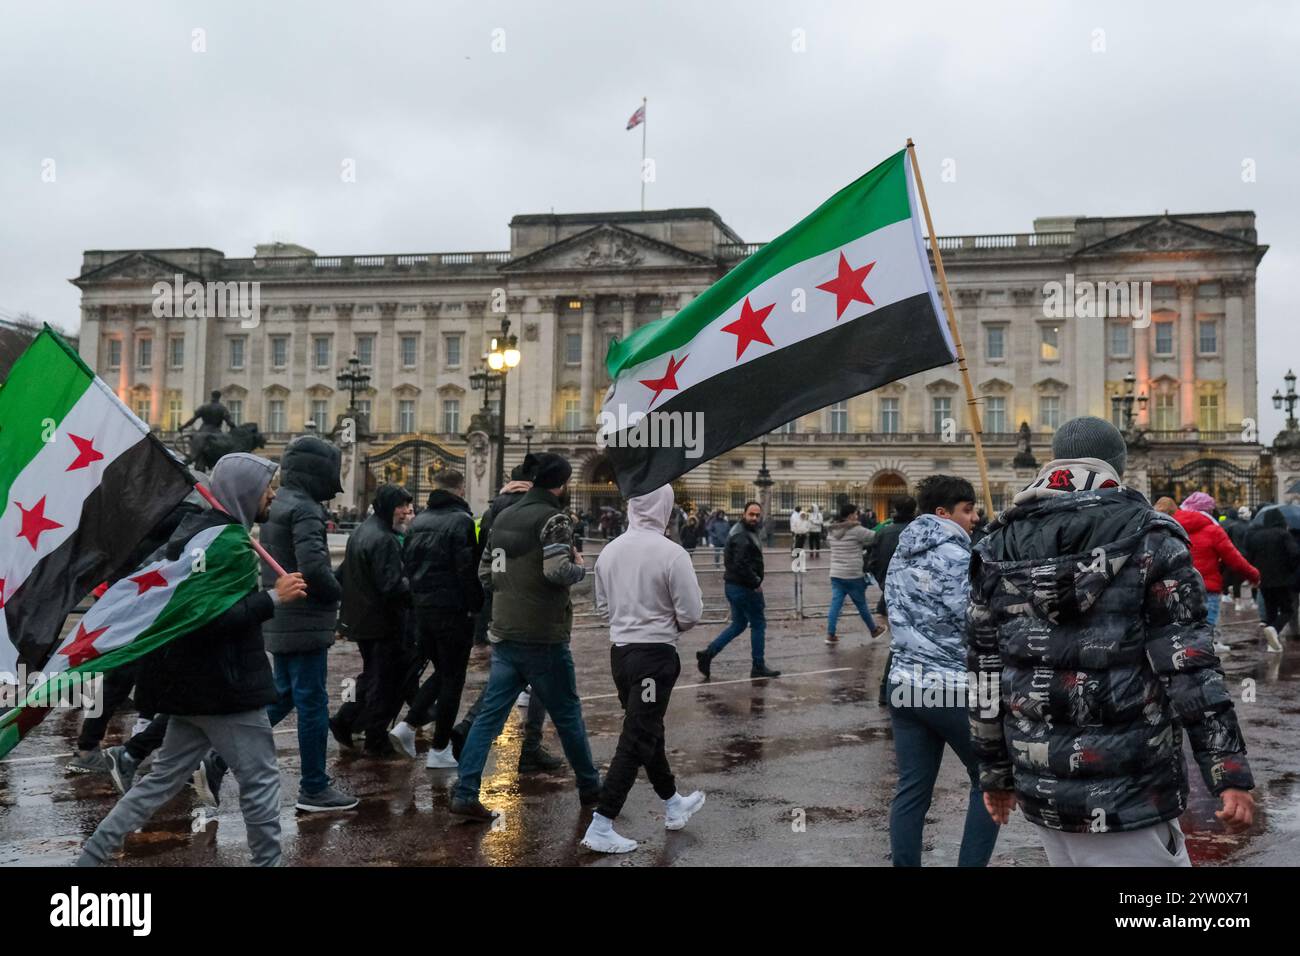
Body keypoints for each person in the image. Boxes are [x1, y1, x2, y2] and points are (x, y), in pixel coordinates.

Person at [969, 417, 1255, 866]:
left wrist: (994, 774)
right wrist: (1227, 770)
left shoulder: (995, 545)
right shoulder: (1151, 537)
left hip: (1041, 782)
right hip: (1131, 786)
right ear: (1117, 468)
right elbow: (1188, 665)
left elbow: (985, 674)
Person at [78, 453, 308, 867]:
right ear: (245, 492)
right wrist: (275, 597)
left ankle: (91, 857)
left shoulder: (200, 532)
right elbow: (210, 620)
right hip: (226, 687)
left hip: (191, 686)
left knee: (159, 782)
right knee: (260, 783)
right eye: (267, 487)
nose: (273, 494)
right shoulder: (228, 544)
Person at [451, 454, 602, 820]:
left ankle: (466, 791)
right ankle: (591, 786)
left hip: (505, 631)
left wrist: (513, 590)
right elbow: (556, 571)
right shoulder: (554, 519)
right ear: (561, 484)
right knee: (567, 713)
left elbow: (487, 573)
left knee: (490, 716)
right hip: (543, 634)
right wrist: (580, 568)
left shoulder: (504, 516)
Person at [580, 486, 706, 853]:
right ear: (664, 508)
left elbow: (602, 608)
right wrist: (667, 625)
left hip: (621, 654)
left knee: (648, 729)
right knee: (636, 736)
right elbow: (692, 614)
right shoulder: (672, 553)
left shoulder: (608, 551)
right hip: (655, 657)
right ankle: (602, 822)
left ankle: (672, 802)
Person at [884, 475, 998, 867]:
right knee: (990, 778)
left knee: (912, 789)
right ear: (943, 513)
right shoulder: (962, 558)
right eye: (967, 510)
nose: (975, 516)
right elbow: (980, 620)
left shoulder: (900, 553)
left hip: (903, 684)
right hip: (951, 687)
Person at [257, 436, 358, 811]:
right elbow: (314, 567)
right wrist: (338, 595)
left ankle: (216, 759)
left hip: (284, 616)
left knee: (284, 694)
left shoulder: (280, 502)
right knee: (312, 702)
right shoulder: (306, 509)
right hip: (304, 617)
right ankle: (314, 786)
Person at [456, 458, 563, 772]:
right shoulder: (537, 511)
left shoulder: (494, 509)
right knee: (542, 682)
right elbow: (549, 565)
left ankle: (469, 729)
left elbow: (485, 561)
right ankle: (530, 748)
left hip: (500, 601)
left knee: (509, 675)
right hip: (534, 607)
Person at [388, 470, 485, 768]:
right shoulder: (461, 521)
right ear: (461, 488)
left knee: (443, 672)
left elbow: (408, 565)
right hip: (453, 611)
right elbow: (467, 570)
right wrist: (476, 606)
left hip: (424, 611)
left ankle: (408, 726)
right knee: (453, 679)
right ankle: (439, 748)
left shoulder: (420, 522)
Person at [332, 484, 413, 757]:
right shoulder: (385, 539)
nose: (406, 511)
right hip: (382, 621)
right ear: (390, 506)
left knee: (370, 676)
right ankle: (374, 737)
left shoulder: (362, 531)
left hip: (363, 619)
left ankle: (346, 720)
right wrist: (416, 591)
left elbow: (342, 574)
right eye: (402, 506)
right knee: (384, 680)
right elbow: (391, 586)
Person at [696, 501, 779, 680]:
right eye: (751, 514)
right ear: (744, 514)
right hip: (745, 588)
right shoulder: (742, 535)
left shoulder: (743, 530)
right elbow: (741, 564)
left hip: (734, 586)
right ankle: (758, 665)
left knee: (739, 624)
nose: (755, 518)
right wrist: (756, 582)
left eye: (757, 515)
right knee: (758, 624)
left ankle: (707, 654)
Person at [1173, 492, 1258, 648]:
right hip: (1207, 586)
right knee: (1208, 624)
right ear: (1208, 511)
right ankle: (1205, 652)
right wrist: (1254, 575)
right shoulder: (1213, 530)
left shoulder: (1172, 526)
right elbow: (1234, 559)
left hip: (1178, 584)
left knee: (1184, 624)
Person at [826, 502, 885, 645]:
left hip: (836, 573)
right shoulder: (856, 529)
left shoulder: (831, 531)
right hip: (853, 574)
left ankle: (830, 634)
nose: (857, 515)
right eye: (856, 513)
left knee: (835, 604)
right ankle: (873, 630)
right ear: (851, 515)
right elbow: (875, 537)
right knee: (861, 605)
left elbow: (829, 544)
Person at [1245, 507, 1300, 652]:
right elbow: (1294, 554)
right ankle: (1274, 630)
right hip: (1283, 580)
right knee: (1287, 610)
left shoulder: (1256, 536)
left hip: (1263, 580)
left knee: (1271, 611)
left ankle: (1272, 644)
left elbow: (1248, 558)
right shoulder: (1283, 534)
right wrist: (1291, 569)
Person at [1221, 505, 1253, 605]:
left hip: (1234, 553)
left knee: (1235, 577)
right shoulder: (1251, 526)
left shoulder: (1232, 526)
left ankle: (1236, 598)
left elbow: (1227, 540)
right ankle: (1252, 599)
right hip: (1247, 554)